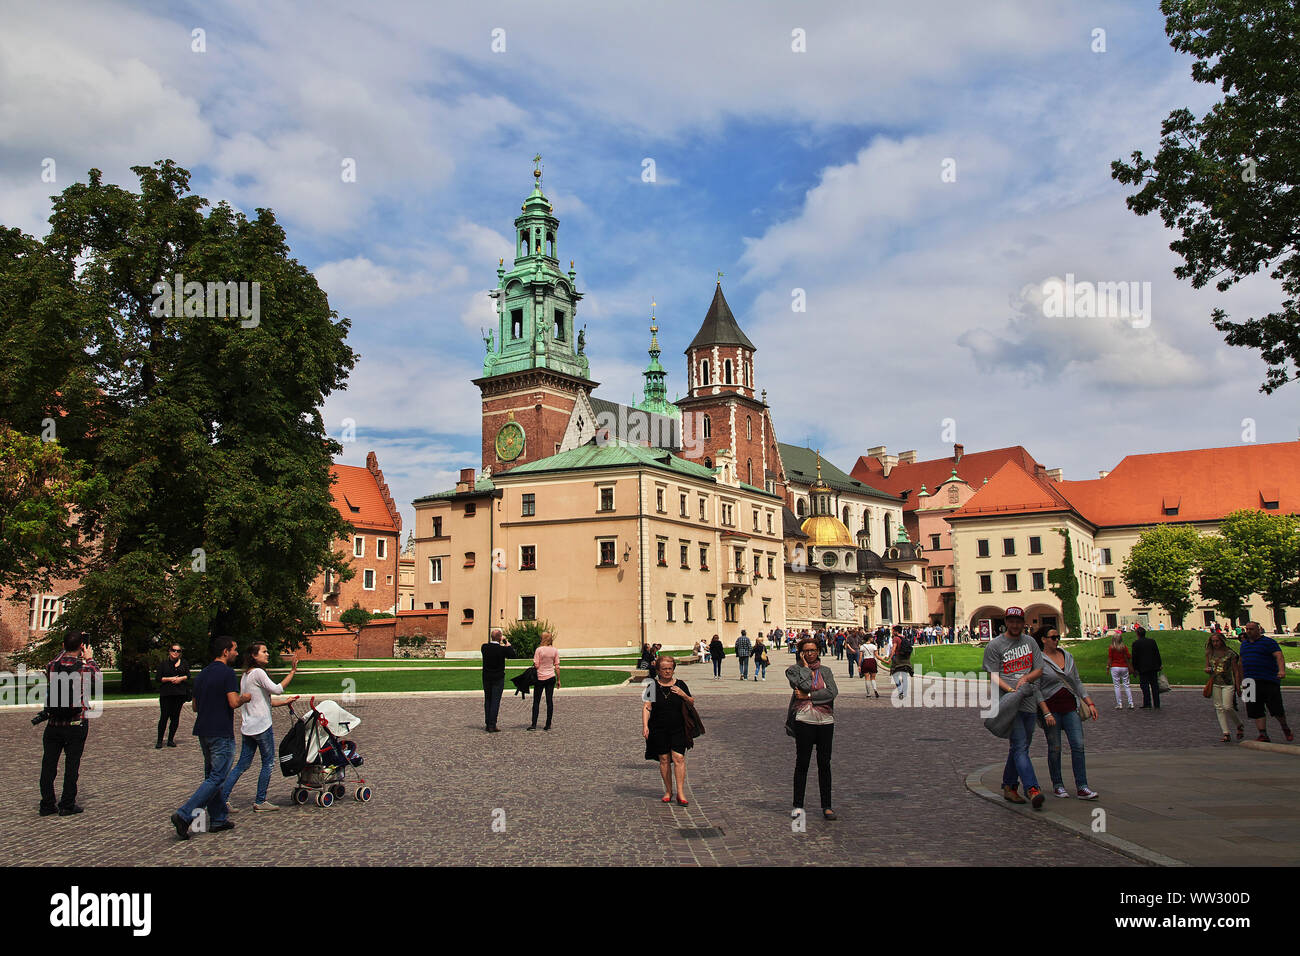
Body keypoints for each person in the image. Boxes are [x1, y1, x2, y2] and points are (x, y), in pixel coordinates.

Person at [172, 635, 251, 839]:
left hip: (203, 730)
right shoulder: (226, 673)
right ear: (225, 652)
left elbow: (195, 706)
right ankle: (184, 814)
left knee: (212, 776)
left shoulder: (202, 674)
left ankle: (218, 819)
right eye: (234, 649)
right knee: (218, 776)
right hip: (220, 731)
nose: (236, 652)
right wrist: (245, 698)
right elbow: (233, 702)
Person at [983, 607, 1049, 810]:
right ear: (1006, 622)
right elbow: (993, 675)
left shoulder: (1030, 643)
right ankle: (1032, 789)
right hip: (1009, 704)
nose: (1015, 625)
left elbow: (1039, 668)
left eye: (1018, 621)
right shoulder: (995, 645)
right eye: (1011, 621)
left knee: (1020, 747)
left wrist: (1026, 679)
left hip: (1028, 702)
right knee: (1020, 746)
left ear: (1023, 622)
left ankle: (1009, 786)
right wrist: (1011, 691)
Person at [220, 643, 298, 811]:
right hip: (262, 726)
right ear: (254, 656)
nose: (267, 654)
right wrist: (292, 672)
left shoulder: (246, 676)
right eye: (264, 651)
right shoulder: (258, 673)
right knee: (268, 762)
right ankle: (260, 801)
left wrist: (285, 702)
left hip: (248, 727)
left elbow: (264, 700)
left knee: (242, 764)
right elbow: (277, 689)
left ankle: (223, 798)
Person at [1034, 626, 1099, 799]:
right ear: (1043, 640)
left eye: (1057, 637)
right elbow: (1036, 688)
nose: (1056, 640)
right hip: (1052, 709)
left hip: (1071, 707)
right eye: (1053, 637)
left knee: (1078, 745)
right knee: (1055, 748)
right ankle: (1058, 784)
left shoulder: (1067, 656)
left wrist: (1089, 702)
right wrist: (1046, 712)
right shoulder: (1038, 660)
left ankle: (1082, 786)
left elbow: (1076, 681)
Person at [39, 631, 100, 817]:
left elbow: (55, 660)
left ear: (63, 645)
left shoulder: (52, 666)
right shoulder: (83, 669)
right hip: (75, 722)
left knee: (49, 765)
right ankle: (67, 804)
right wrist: (89, 657)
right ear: (81, 646)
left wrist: (65, 647)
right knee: (72, 765)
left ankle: (47, 804)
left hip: (54, 723)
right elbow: (97, 676)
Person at [787, 638, 838, 821]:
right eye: (806, 651)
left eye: (813, 650)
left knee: (825, 764)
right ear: (801, 653)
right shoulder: (793, 671)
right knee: (802, 763)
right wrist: (805, 668)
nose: (810, 653)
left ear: (818, 651)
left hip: (825, 722)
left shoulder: (826, 671)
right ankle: (798, 805)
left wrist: (807, 696)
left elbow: (832, 692)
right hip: (804, 721)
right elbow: (805, 683)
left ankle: (827, 806)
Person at [643, 655, 695, 805]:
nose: (667, 672)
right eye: (664, 669)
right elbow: (647, 707)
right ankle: (668, 790)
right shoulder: (652, 685)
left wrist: (682, 694)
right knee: (664, 760)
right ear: (658, 670)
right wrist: (645, 726)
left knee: (679, 758)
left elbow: (691, 701)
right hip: (658, 728)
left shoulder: (680, 684)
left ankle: (681, 792)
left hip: (678, 728)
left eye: (670, 669)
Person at [1239, 621, 1292, 742]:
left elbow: (1279, 656)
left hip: (1268, 679)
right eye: (1247, 629)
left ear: (1259, 629)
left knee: (1276, 708)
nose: (1248, 631)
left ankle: (1284, 726)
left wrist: (1282, 671)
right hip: (1249, 681)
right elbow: (1241, 663)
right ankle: (1263, 734)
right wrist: (1240, 681)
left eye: (1251, 629)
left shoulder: (1269, 642)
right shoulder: (1244, 644)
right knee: (1255, 709)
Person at [1204, 631, 1244, 743]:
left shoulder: (1230, 654)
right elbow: (1207, 667)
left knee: (1228, 707)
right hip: (1215, 682)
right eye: (1213, 641)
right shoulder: (1209, 653)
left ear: (1222, 641)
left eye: (1217, 641)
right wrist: (1207, 670)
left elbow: (1236, 671)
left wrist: (1238, 686)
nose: (1215, 643)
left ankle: (1239, 724)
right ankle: (1226, 733)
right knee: (1219, 708)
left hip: (1228, 683)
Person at [156, 641, 190, 749]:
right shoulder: (163, 664)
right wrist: (169, 679)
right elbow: (158, 678)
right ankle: (160, 740)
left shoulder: (184, 663)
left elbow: (188, 675)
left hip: (179, 693)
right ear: (170, 651)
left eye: (178, 651)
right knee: (164, 717)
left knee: (175, 717)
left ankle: (171, 739)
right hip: (166, 693)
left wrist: (181, 678)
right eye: (173, 650)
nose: (175, 652)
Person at [481, 628, 511, 733]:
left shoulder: (484, 647)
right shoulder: (502, 649)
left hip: (486, 677)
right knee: (495, 701)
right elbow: (512, 654)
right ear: (500, 638)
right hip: (498, 678)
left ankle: (488, 723)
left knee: (488, 700)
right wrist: (506, 642)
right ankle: (492, 725)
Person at [530, 631, 559, 730]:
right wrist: (559, 680)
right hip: (551, 677)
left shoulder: (539, 650)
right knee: (549, 701)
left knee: (536, 701)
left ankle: (534, 724)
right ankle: (548, 724)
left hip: (540, 677)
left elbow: (536, 665)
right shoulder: (554, 650)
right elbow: (557, 666)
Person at [1131, 626, 1163, 709]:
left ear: (1137, 634)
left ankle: (1147, 703)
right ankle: (1157, 703)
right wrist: (1159, 664)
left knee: (1145, 686)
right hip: (1153, 667)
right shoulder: (1152, 642)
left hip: (1143, 668)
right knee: (1154, 686)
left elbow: (1135, 658)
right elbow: (1157, 653)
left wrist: (1135, 669)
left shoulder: (1136, 643)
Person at [1107, 633, 1135, 709]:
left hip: (1115, 667)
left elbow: (1110, 658)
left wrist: (1108, 667)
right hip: (1124, 666)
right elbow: (1129, 656)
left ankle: (1119, 703)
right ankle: (1131, 703)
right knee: (1127, 685)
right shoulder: (1124, 647)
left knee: (1117, 686)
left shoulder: (1111, 648)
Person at [888, 625, 913, 699]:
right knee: (904, 676)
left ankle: (900, 690)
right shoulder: (904, 638)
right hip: (905, 659)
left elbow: (893, 649)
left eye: (892, 631)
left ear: (895, 631)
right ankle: (905, 692)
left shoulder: (895, 639)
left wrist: (890, 658)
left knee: (895, 675)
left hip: (898, 659)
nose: (892, 632)